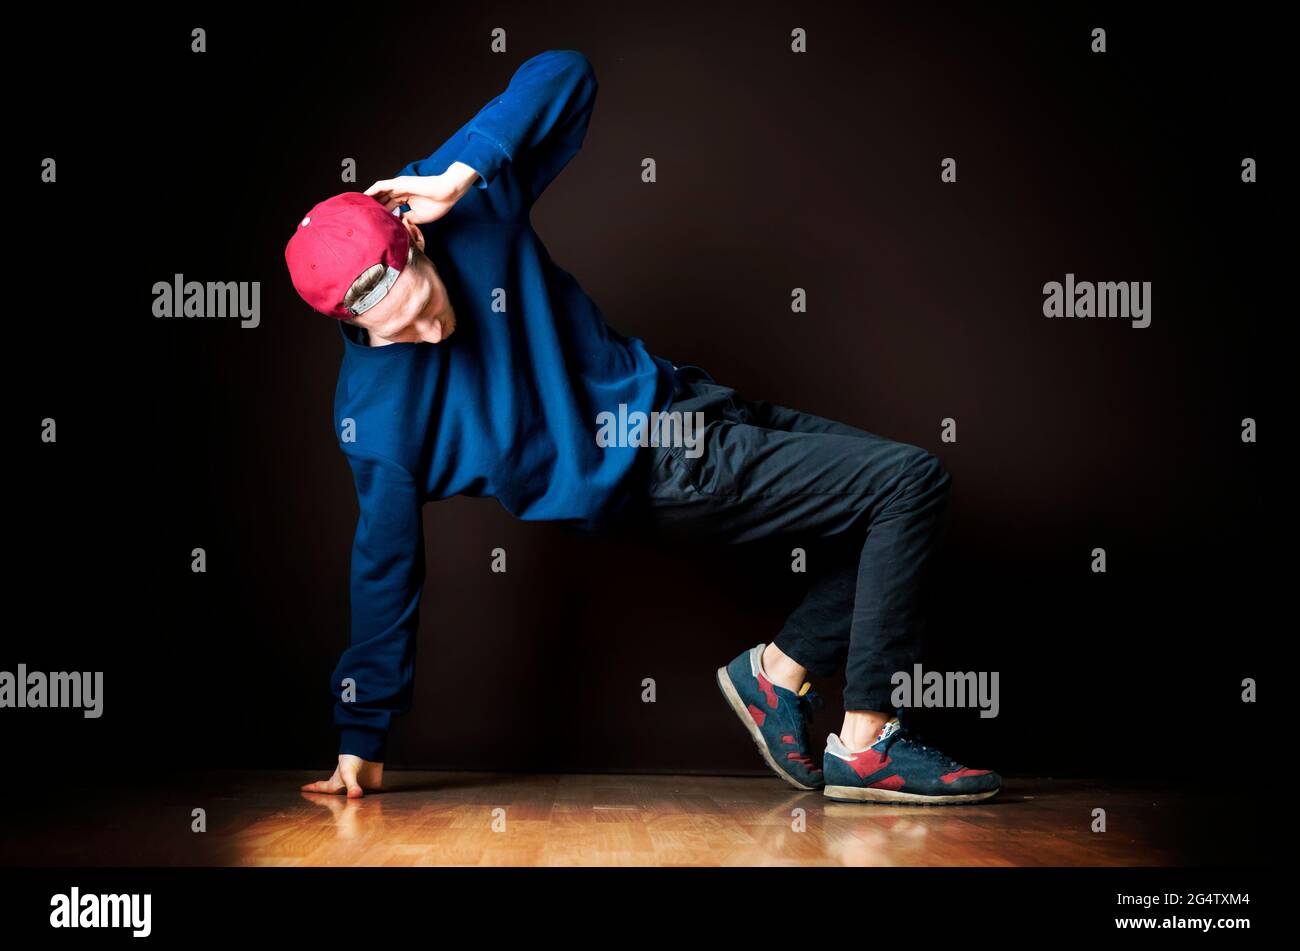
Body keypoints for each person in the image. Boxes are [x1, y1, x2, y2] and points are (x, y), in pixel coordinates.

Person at [287, 49, 999, 805]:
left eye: (427, 304)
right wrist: (361, 736)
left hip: (686, 398)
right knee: (909, 483)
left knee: (898, 507)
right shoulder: (376, 418)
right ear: (352, 324)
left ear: (417, 243)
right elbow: (384, 565)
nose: (432, 334)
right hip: (652, 467)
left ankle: (776, 675)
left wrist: (461, 173)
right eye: (401, 332)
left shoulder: (457, 206)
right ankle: (864, 745)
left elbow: (563, 74)